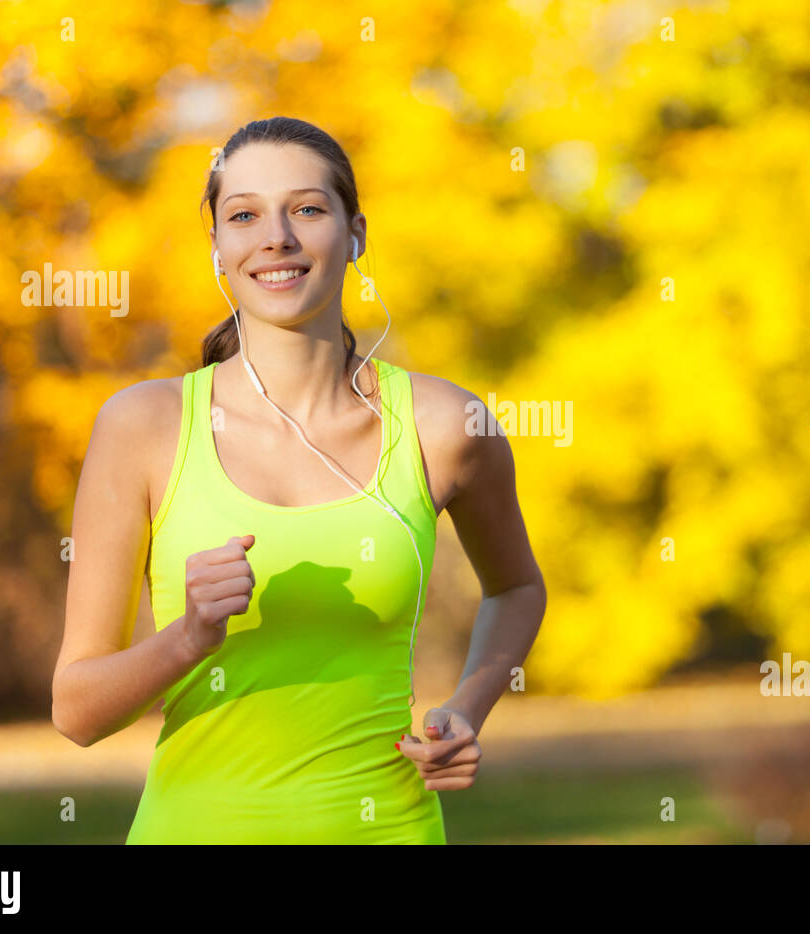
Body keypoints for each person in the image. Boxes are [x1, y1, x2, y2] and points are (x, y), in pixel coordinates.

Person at [51, 117, 547, 843]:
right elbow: (76, 712)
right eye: (244, 215)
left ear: (355, 233)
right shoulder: (142, 427)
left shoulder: (444, 426)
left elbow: (517, 588)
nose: (276, 236)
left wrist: (467, 709)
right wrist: (188, 638)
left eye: (307, 209)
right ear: (218, 248)